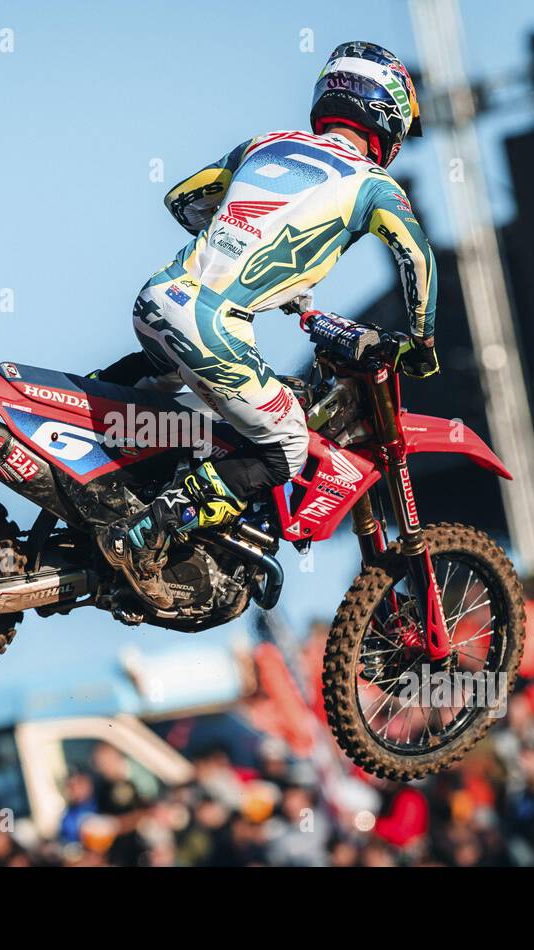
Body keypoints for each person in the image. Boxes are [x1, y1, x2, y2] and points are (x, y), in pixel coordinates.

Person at [94, 40, 440, 607]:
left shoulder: (265, 144)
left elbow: (183, 200)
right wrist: (421, 343)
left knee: (165, 393)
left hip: (159, 296)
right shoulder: (373, 185)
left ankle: (93, 458)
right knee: (286, 446)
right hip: (214, 325)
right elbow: (417, 258)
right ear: (389, 115)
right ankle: (150, 531)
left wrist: (241, 249)